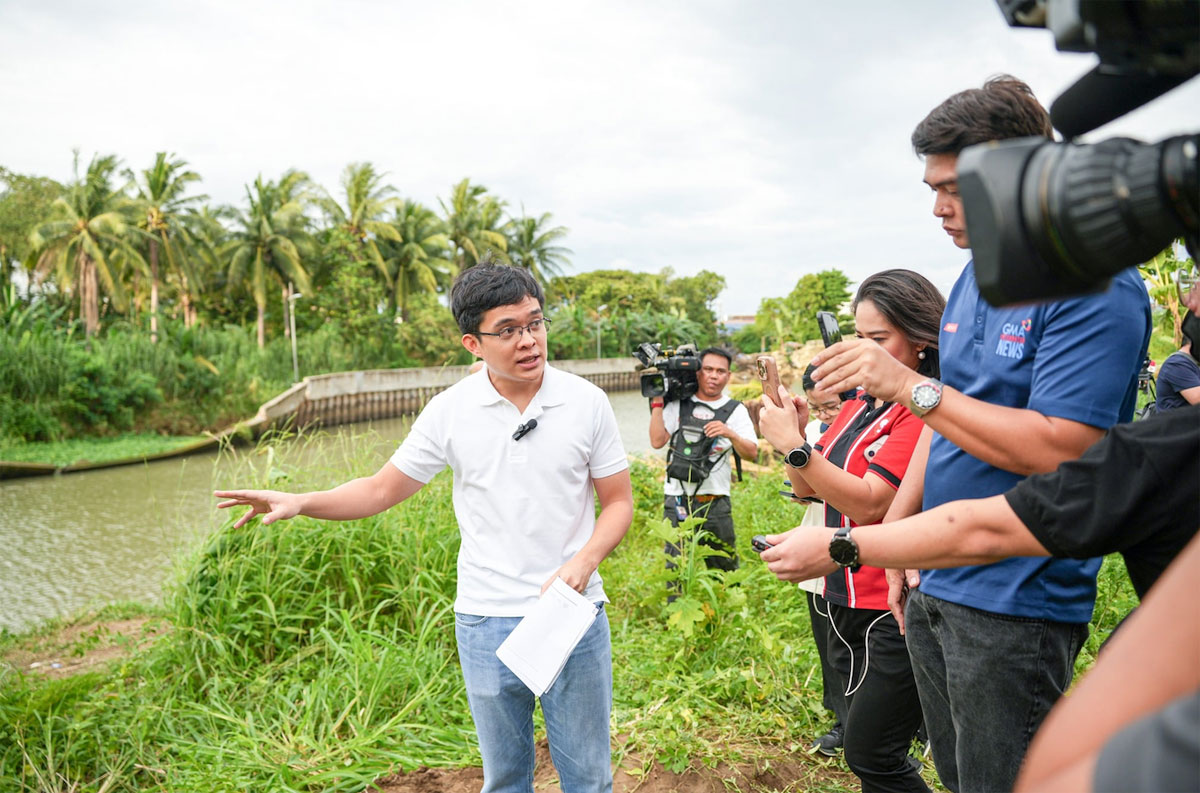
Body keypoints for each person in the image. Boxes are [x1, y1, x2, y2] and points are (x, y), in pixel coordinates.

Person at [797, 76, 1152, 793]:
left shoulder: (1094, 281)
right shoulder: (974, 278)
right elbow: (942, 424)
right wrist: (901, 544)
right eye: (933, 188)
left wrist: (907, 386)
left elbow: (1063, 447)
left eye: (956, 188)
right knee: (958, 775)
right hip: (937, 570)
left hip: (1015, 591)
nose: (939, 208)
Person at [214, 262, 634, 793]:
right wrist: (301, 501)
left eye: (535, 323)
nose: (529, 341)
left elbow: (618, 502)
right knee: (505, 778)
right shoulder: (449, 412)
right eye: (508, 330)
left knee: (589, 778)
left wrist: (582, 564)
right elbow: (380, 490)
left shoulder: (586, 402)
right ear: (473, 343)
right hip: (485, 618)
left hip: (573, 613)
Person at [759, 269, 944, 793]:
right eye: (858, 337)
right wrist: (796, 438)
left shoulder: (925, 406)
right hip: (843, 585)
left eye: (878, 339)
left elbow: (869, 503)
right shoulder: (862, 402)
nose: (864, 351)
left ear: (921, 339)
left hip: (891, 594)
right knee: (866, 748)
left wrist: (795, 447)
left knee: (873, 751)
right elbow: (809, 488)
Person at [648, 347, 757, 573]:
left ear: (728, 376)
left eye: (720, 371)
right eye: (708, 369)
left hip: (715, 500)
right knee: (675, 568)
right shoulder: (679, 404)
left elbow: (751, 453)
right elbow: (657, 441)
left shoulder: (735, 410)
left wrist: (730, 433)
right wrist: (657, 401)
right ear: (698, 372)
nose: (714, 376)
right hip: (677, 498)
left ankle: (724, 597)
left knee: (724, 567)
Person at [795, 364, 849, 756]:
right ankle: (843, 719)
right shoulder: (813, 433)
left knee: (861, 643)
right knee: (828, 639)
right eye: (817, 408)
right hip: (817, 540)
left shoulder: (870, 428)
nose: (824, 416)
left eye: (830, 406)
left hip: (858, 546)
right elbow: (804, 490)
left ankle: (904, 726)